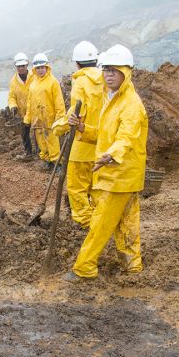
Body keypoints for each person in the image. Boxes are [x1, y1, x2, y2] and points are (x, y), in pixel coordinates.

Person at [64, 44, 148, 282]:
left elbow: (126, 137)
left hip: (119, 174)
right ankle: (132, 265)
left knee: (100, 224)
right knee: (127, 221)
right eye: (106, 70)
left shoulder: (131, 104)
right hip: (121, 173)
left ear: (126, 72)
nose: (109, 75)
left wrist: (111, 154)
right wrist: (83, 128)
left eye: (114, 70)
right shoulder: (112, 99)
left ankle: (85, 267)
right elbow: (104, 133)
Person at [52, 41, 104, 228]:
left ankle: (87, 224)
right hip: (102, 146)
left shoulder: (81, 82)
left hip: (81, 149)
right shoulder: (106, 80)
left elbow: (76, 114)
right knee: (96, 188)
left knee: (77, 189)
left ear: (77, 63)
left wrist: (58, 127)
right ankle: (101, 221)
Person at [24, 53, 65, 170]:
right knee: (41, 142)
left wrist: (60, 117)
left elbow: (59, 101)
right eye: (38, 68)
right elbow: (29, 102)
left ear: (47, 67)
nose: (40, 70)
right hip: (37, 120)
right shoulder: (33, 84)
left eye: (42, 67)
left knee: (52, 142)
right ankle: (47, 161)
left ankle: (57, 163)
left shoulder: (53, 82)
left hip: (50, 119)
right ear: (34, 69)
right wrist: (28, 118)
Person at [7, 52, 35, 158]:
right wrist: (13, 106)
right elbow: (11, 97)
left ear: (27, 65)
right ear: (16, 66)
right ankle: (28, 153)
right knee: (24, 133)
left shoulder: (35, 76)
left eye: (23, 66)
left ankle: (41, 152)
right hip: (23, 113)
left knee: (39, 132)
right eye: (19, 66)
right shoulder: (13, 81)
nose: (21, 68)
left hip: (35, 110)